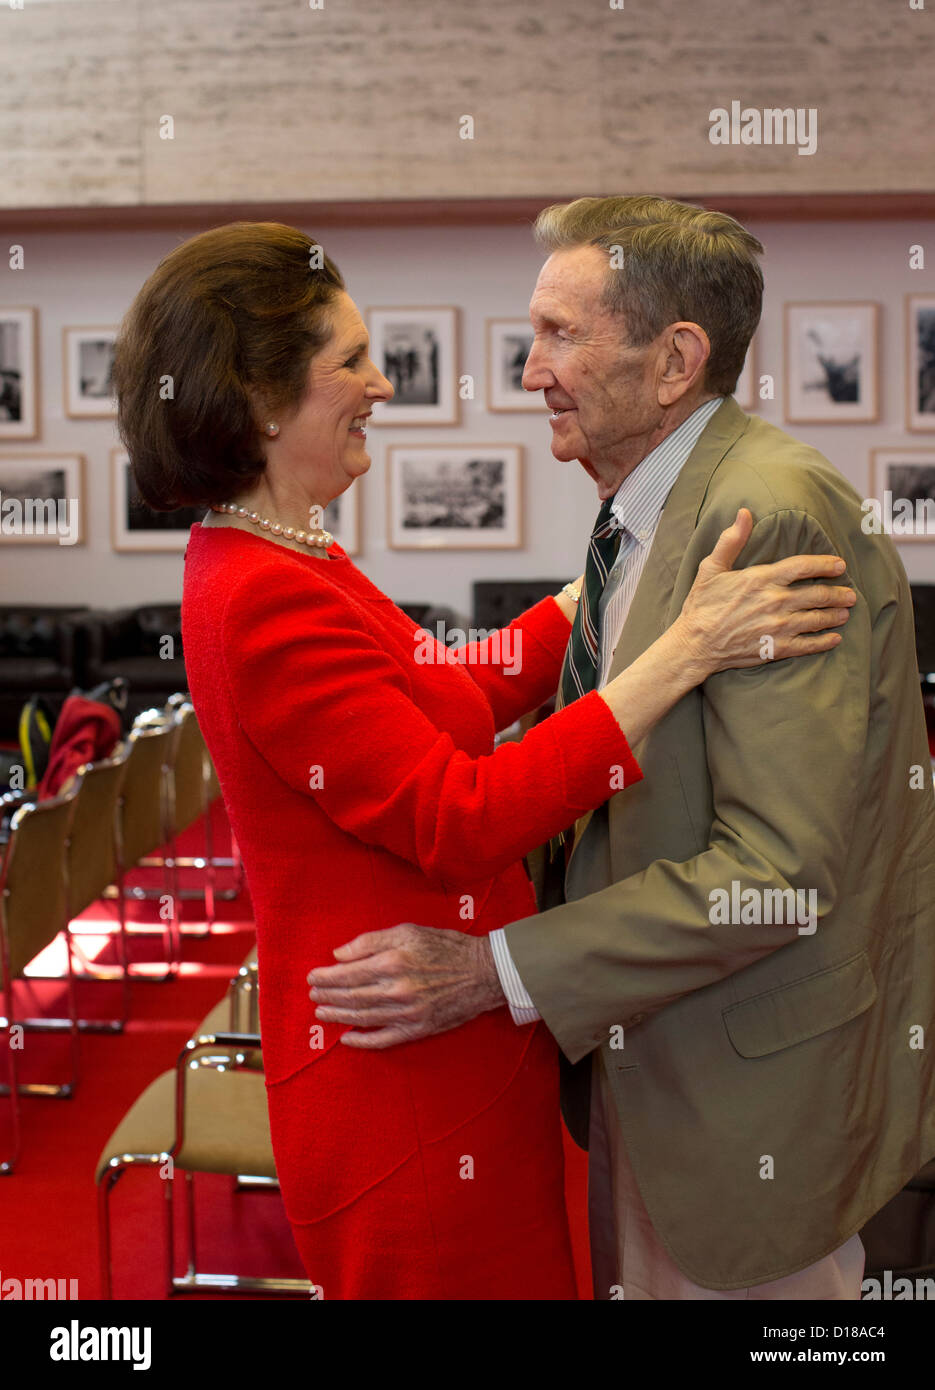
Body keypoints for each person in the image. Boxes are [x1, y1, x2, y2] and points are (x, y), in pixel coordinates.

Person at [113, 219, 854, 1301]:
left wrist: (603, 584)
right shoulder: (261, 590)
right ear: (264, 401)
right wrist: (680, 651)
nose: (381, 385)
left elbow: (456, 692)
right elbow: (460, 812)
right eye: (351, 362)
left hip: (442, 1055)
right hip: (402, 1094)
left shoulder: (288, 548)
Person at [309, 195, 935, 1301]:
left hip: (743, 1100)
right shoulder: (644, 507)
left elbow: (776, 876)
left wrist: (493, 972)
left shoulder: (764, 515)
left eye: (559, 334)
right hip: (649, 1063)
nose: (528, 369)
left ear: (672, 360)